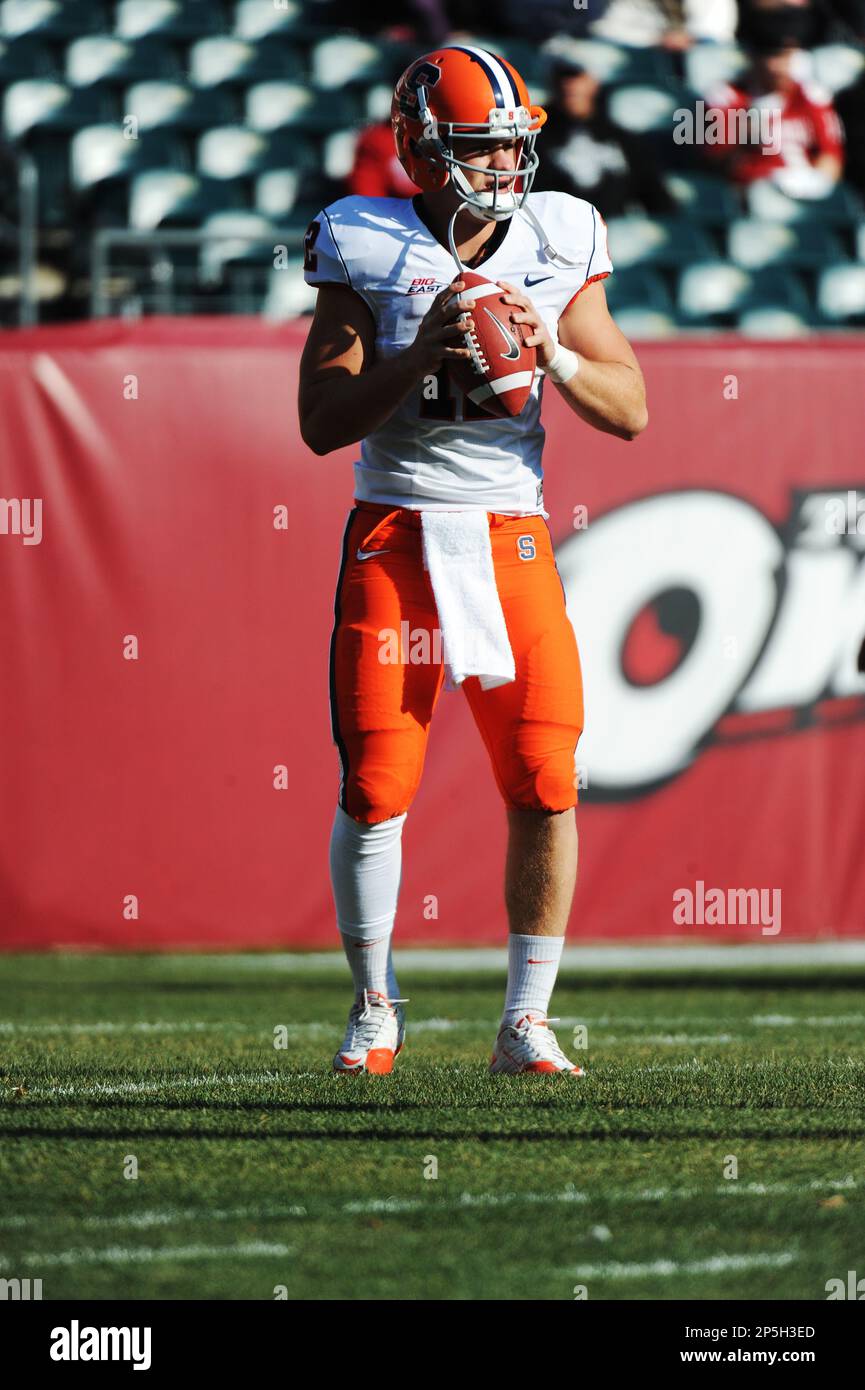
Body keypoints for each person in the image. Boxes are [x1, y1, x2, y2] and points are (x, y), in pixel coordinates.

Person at [298, 45, 647, 1076]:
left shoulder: (561, 231)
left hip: (510, 531)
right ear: (419, 151)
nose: (501, 163)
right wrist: (416, 358)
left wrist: (553, 353)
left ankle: (525, 1019)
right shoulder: (359, 237)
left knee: (545, 772)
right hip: (395, 526)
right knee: (376, 779)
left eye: (508, 143)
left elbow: (629, 408)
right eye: (477, 144)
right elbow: (321, 421)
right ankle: (374, 1006)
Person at [530, 57, 676, 216]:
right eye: (562, 76)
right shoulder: (534, 137)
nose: (569, 85)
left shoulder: (622, 139)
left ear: (594, 81)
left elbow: (658, 199)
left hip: (610, 233)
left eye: (577, 76)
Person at [703, 37, 845, 197]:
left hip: (806, 189)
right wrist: (743, 137)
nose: (777, 68)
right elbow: (717, 161)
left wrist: (815, 186)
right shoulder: (727, 98)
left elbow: (831, 157)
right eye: (771, 57)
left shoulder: (811, 98)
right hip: (757, 192)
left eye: (785, 57)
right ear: (754, 59)